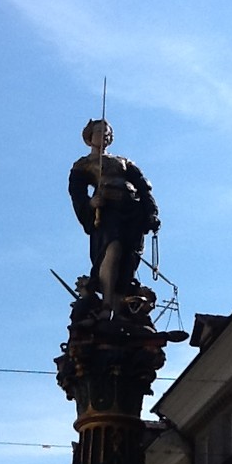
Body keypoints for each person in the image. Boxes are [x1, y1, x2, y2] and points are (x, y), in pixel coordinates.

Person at [68, 119, 160, 317]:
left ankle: (119, 303)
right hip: (107, 211)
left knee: (128, 257)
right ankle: (107, 303)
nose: (105, 135)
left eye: (108, 132)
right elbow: (76, 192)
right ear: (89, 136)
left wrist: (151, 212)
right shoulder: (83, 164)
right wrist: (90, 205)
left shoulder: (124, 162)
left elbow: (143, 187)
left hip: (131, 211)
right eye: (100, 131)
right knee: (112, 248)